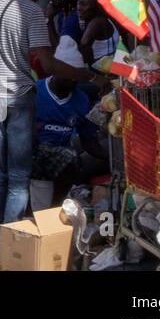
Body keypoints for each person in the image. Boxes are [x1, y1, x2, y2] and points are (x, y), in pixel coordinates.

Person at [0, 0, 98, 269]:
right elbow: (49, 66)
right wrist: (90, 77)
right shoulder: (32, 12)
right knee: (19, 177)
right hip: (19, 97)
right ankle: (10, 244)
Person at [34, 42, 110, 202]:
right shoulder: (35, 92)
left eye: (76, 78)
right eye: (69, 76)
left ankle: (56, 207)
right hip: (33, 150)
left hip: (62, 156)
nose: (73, 82)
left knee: (73, 159)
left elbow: (88, 139)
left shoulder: (81, 99)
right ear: (57, 72)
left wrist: (109, 158)